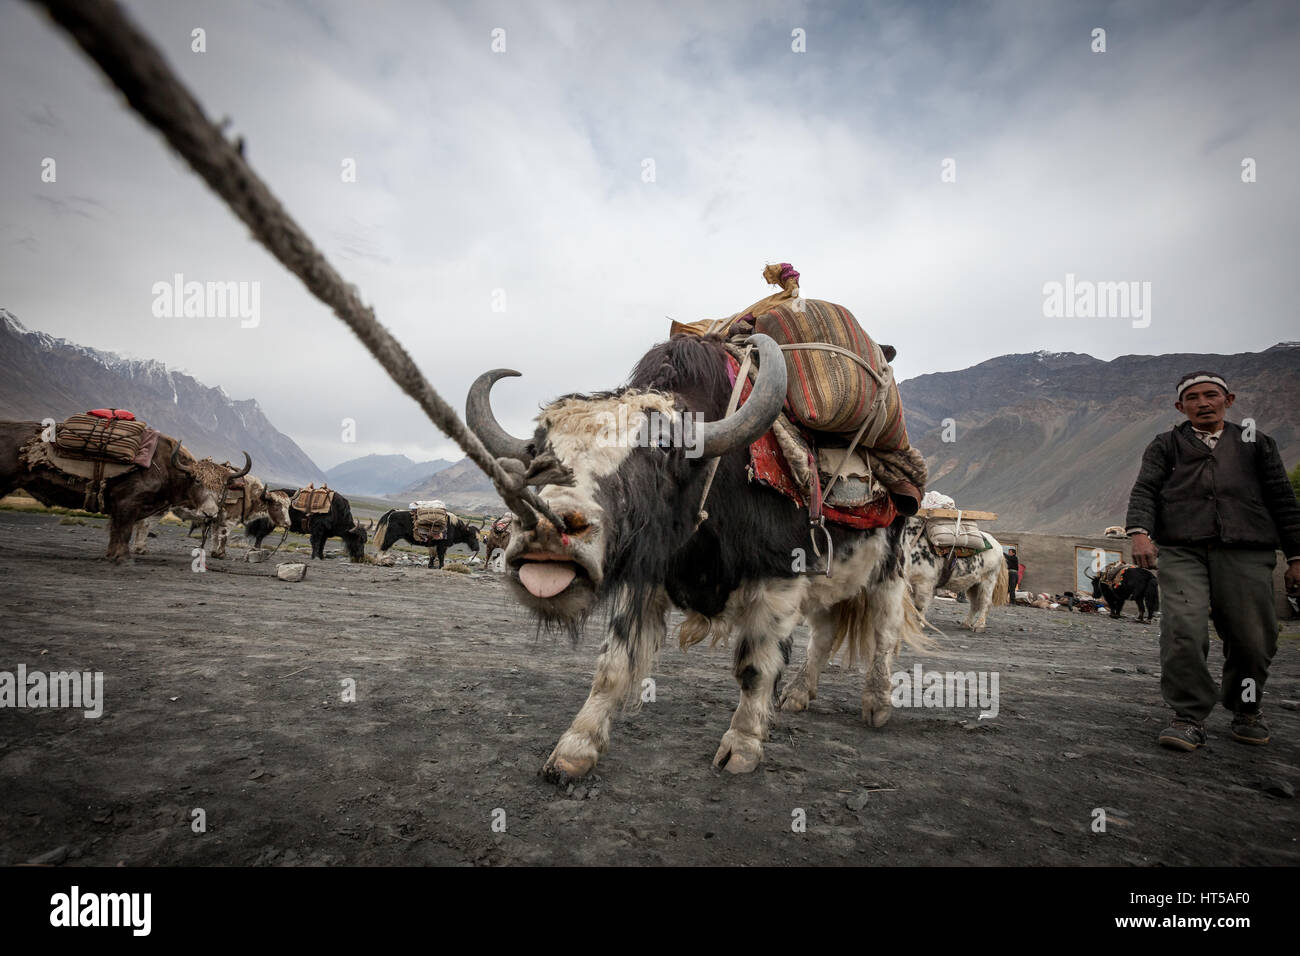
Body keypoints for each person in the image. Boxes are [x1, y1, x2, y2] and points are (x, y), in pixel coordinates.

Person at [1126, 371, 1300, 751]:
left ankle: (1247, 709)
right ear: (1180, 406)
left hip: (1246, 550)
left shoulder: (1255, 443)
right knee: (1183, 631)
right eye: (1193, 398)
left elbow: (1283, 500)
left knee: (1253, 638)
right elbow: (1145, 489)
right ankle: (1188, 716)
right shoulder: (1166, 445)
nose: (1203, 403)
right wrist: (1139, 531)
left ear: (1229, 400)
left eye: (1211, 395)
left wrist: (1296, 556)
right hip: (1183, 549)